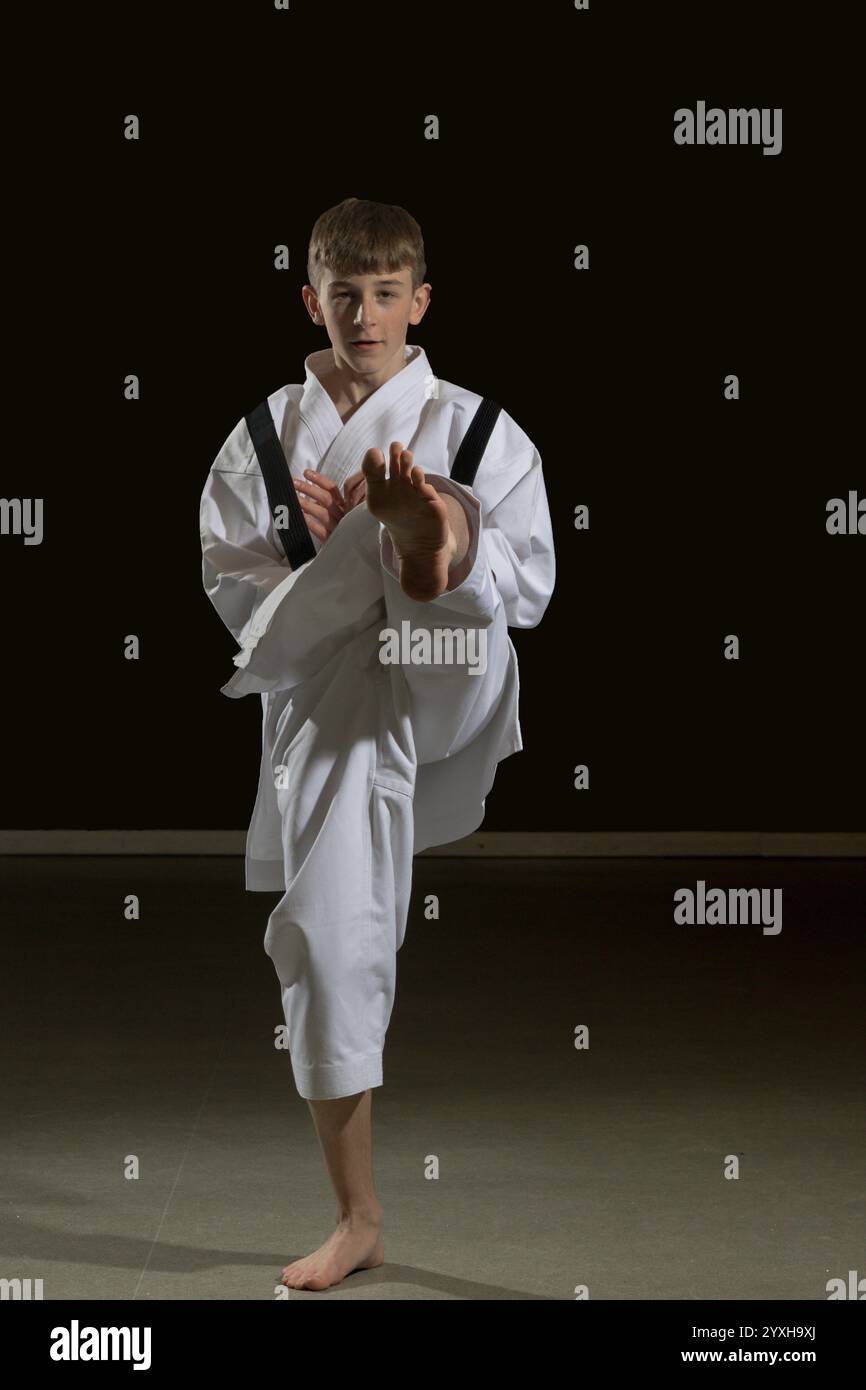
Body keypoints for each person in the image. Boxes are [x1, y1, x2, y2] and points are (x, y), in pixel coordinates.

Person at [199, 197, 555, 1290]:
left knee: (434, 565)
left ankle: (427, 538)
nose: (364, 314)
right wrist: (324, 555)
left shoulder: (481, 426)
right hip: (342, 699)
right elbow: (233, 588)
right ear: (311, 300)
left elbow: (531, 589)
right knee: (325, 933)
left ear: (419, 301)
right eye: (343, 295)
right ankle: (357, 1216)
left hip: (452, 677)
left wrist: (426, 549)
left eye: (386, 294)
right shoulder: (261, 438)